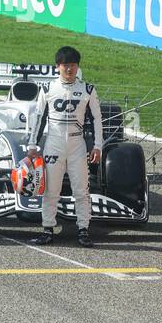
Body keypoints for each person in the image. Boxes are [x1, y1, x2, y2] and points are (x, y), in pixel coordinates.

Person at [27, 46, 103, 248]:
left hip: (78, 145)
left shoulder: (87, 90)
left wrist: (97, 146)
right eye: (65, 66)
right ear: (57, 67)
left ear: (78, 67)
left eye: (73, 66)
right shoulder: (48, 89)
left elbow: (97, 118)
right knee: (51, 190)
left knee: (81, 190)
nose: (69, 70)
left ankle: (83, 230)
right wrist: (32, 144)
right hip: (54, 143)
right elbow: (39, 118)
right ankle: (47, 229)